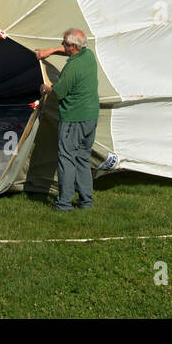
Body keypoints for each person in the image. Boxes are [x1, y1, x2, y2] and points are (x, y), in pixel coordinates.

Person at [36, 28, 99, 211]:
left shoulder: (72, 67)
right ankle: (86, 202)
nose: (62, 45)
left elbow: (58, 92)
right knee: (82, 159)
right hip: (90, 117)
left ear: (72, 46)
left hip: (73, 119)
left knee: (67, 160)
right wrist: (51, 51)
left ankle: (64, 204)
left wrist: (45, 89)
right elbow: (68, 50)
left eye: (64, 43)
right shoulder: (88, 55)